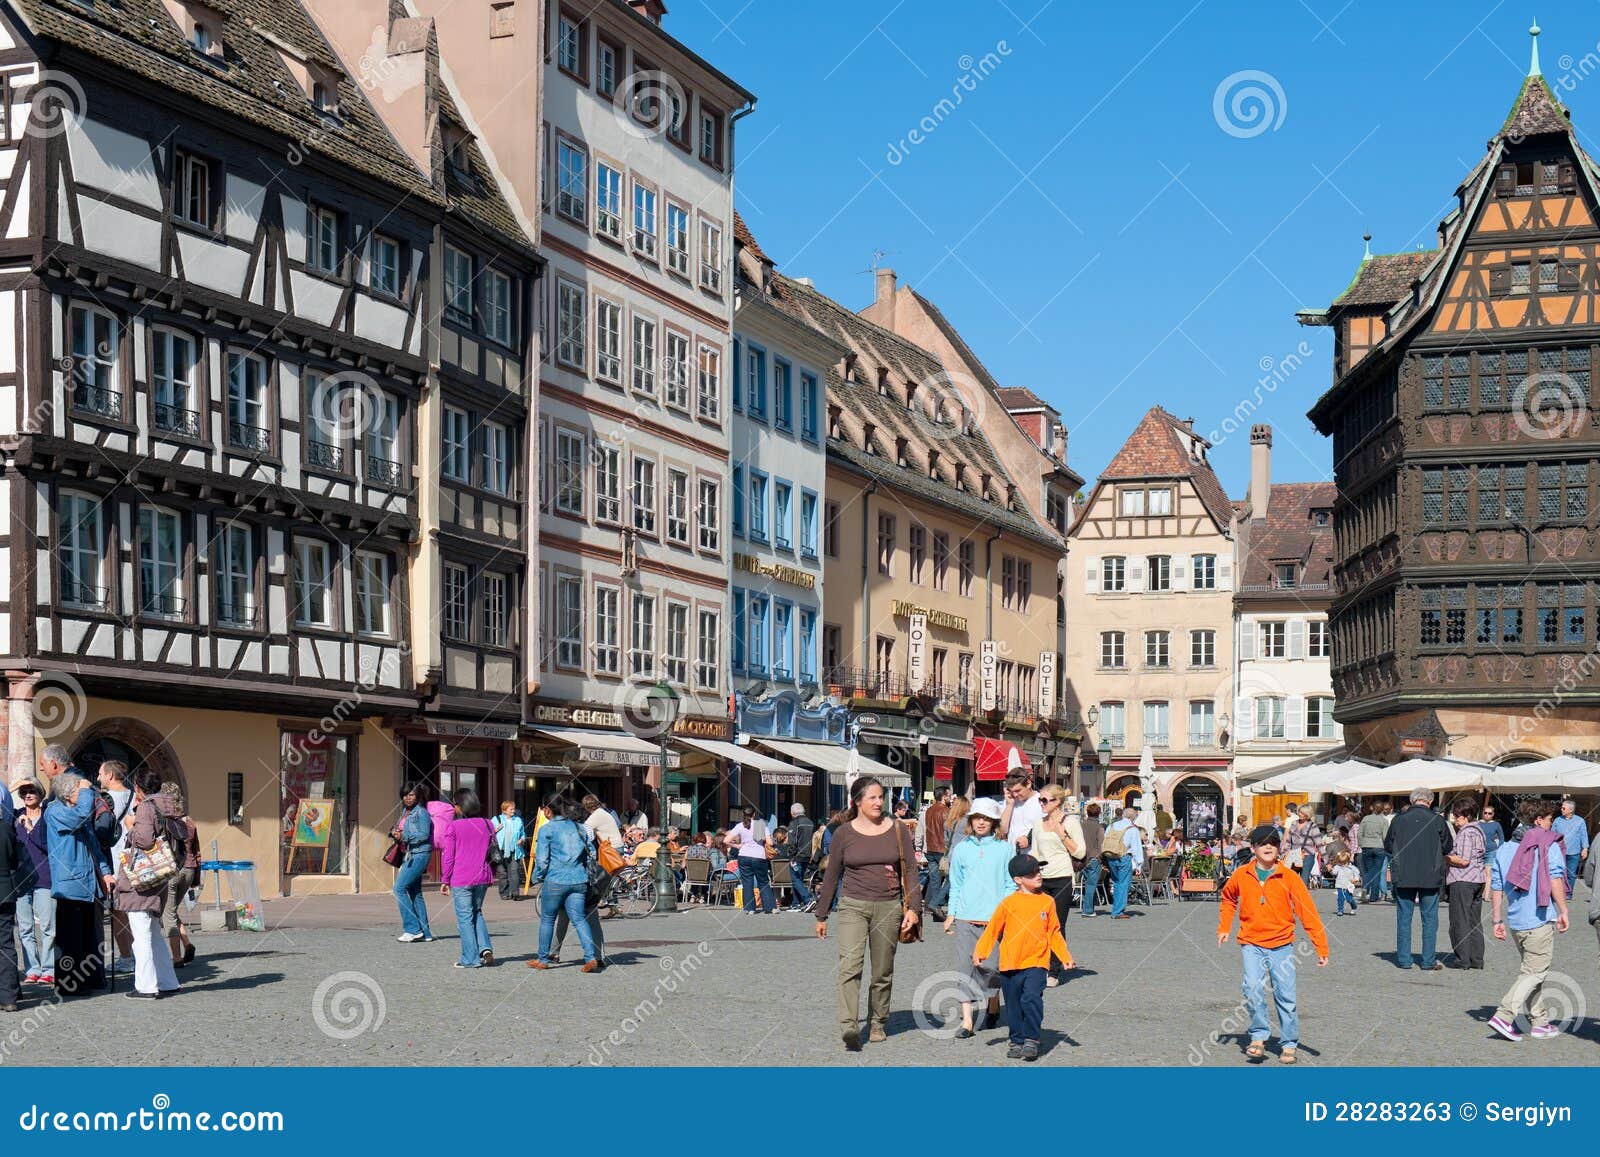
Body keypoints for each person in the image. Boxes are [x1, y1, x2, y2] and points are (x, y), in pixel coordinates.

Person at [814, 776, 922, 1051]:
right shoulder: (843, 833)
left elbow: (910, 869)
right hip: (852, 906)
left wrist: (914, 909)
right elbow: (832, 874)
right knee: (850, 966)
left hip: (889, 906)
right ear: (858, 801)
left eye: (880, 796)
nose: (878, 802)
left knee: (882, 970)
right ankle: (849, 1025)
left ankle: (877, 1022)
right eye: (872, 797)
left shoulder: (897, 829)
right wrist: (821, 914)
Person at [1217, 825, 1329, 1064]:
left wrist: (1321, 947)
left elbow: (1308, 913)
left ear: (1279, 848)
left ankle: (1289, 1043)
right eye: (1262, 843)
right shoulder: (1241, 875)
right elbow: (1228, 899)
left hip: (1282, 945)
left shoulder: (1289, 878)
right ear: (1253, 848)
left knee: (1285, 995)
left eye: (1273, 843)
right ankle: (1258, 1036)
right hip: (1251, 943)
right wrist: (1224, 927)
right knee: (1253, 988)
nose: (1268, 847)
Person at [972, 854, 1074, 1061]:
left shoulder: (1047, 901)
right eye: (1032, 873)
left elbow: (1054, 931)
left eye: (1039, 870)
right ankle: (1016, 1040)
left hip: (1037, 961)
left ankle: (1031, 1039)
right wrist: (980, 952)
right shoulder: (1008, 903)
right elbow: (992, 930)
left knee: (1031, 998)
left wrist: (1064, 956)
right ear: (1018, 879)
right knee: (1013, 1004)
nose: (1038, 875)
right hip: (1010, 963)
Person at [1488, 800, 1569, 1041]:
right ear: (1538, 821)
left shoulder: (1503, 849)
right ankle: (1504, 1015)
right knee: (1534, 973)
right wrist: (1564, 910)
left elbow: (1496, 887)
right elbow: (1555, 879)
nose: (1551, 825)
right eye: (1549, 821)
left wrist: (1496, 921)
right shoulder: (1546, 845)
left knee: (1532, 971)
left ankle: (1540, 1021)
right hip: (1539, 918)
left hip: (1516, 921)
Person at [113, 768, 183, 1001]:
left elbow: (144, 839)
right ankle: (168, 981)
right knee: (152, 933)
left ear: (138, 788)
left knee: (141, 935)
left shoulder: (145, 807)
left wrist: (131, 826)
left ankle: (146, 986)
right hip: (161, 874)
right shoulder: (168, 804)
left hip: (143, 878)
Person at [944, 797, 1011, 1038]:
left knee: (991, 968)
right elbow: (956, 884)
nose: (981, 822)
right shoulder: (962, 848)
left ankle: (993, 1001)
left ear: (994, 822)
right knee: (965, 968)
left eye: (986, 818)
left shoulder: (1005, 848)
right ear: (971, 820)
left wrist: (1006, 911)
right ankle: (967, 1022)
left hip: (994, 919)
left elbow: (1009, 883)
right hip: (965, 917)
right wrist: (952, 913)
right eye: (977, 818)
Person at [45, 770, 110, 996]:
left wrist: (105, 872)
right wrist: (84, 790)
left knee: (88, 936)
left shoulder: (78, 811)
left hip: (88, 883)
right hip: (70, 884)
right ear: (67, 793)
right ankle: (69, 984)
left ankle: (90, 979)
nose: (86, 795)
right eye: (79, 791)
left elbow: (94, 846)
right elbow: (82, 815)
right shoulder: (55, 810)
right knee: (70, 938)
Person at [528, 796, 601, 972]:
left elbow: (542, 859)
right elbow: (591, 852)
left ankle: (543, 959)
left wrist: (537, 876)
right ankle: (591, 957)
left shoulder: (547, 829)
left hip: (555, 879)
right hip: (579, 880)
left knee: (547, 920)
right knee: (579, 919)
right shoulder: (579, 828)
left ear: (547, 810)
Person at [1386, 787, 1453, 971]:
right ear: (1429, 801)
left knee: (1404, 918)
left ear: (1412, 800)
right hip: (1430, 876)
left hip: (1404, 875)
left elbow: (1388, 845)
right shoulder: (1438, 820)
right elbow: (1448, 847)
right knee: (1430, 919)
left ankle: (1404, 960)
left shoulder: (1398, 820)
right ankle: (1428, 960)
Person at [1027, 785, 1083, 987]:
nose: (1041, 803)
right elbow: (1035, 852)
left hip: (1062, 877)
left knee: (1056, 924)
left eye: (1045, 800)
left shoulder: (1071, 822)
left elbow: (1080, 853)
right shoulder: (1037, 823)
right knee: (1039, 925)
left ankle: (1054, 970)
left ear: (1057, 802)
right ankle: (1040, 965)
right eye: (1039, 800)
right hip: (1041, 878)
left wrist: (1062, 834)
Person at [438, 789, 495, 969]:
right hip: (482, 876)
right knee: (477, 912)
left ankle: (470, 959)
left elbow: (448, 857)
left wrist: (445, 880)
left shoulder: (453, 827)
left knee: (465, 918)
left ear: (460, 806)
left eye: (455, 804)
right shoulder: (487, 824)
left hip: (461, 877)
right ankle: (485, 948)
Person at [96, 759, 136, 975]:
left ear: (110, 775)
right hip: (132, 858)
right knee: (135, 910)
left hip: (113, 859)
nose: (98, 778)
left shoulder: (106, 799)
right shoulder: (134, 796)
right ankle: (138, 953)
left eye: (101, 773)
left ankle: (127, 957)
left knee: (117, 911)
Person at [13, 776, 54, 988]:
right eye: (24, 792)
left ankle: (48, 969)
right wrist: (14, 785)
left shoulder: (48, 818)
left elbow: (51, 849)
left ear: (40, 793)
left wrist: (30, 829)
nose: (28, 794)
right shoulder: (15, 816)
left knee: (48, 927)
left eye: (32, 790)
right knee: (25, 928)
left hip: (45, 878)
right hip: (21, 880)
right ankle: (32, 969)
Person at [1445, 797, 1488, 970]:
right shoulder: (1480, 830)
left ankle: (1462, 958)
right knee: (1474, 921)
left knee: (1459, 920)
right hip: (1478, 879)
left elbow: (1463, 860)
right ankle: (1476, 959)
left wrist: (1445, 858)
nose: (1455, 820)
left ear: (1466, 815)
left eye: (1457, 816)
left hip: (1463, 879)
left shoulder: (1466, 832)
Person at [162, 785, 201, 968]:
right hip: (189, 868)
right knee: (172, 910)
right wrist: (196, 878)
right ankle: (187, 943)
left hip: (173, 870)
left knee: (167, 915)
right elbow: (196, 850)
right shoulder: (189, 821)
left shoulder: (165, 821)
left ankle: (176, 958)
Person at [392, 782, 434, 943]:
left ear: (418, 796)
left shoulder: (421, 813)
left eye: (411, 795)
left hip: (420, 854)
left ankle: (412, 929)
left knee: (399, 888)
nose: (407, 798)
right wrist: (395, 832)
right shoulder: (405, 812)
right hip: (410, 854)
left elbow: (424, 834)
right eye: (405, 795)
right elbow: (402, 830)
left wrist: (404, 837)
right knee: (415, 893)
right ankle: (425, 933)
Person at [726, 805, 775, 915]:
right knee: (763, 881)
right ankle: (769, 907)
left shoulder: (740, 825)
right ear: (754, 814)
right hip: (759, 856)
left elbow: (726, 840)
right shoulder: (759, 825)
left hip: (744, 856)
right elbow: (770, 843)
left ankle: (749, 908)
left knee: (747, 882)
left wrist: (738, 846)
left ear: (744, 814)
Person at [0, 778, 18, 1011]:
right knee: (6, 944)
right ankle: (9, 996)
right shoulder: (7, 829)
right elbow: (15, 858)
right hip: (6, 890)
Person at [1106, 806, 1142, 919]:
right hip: (1124, 857)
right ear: (1133, 818)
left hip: (1111, 856)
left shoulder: (1111, 826)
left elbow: (1105, 839)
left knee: (1117, 882)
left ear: (1123, 815)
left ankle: (1116, 907)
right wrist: (1139, 864)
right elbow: (1136, 848)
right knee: (1123, 884)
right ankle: (1117, 911)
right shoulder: (1132, 829)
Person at [920, 788, 950, 918]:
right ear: (944, 796)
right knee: (951, 879)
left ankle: (935, 909)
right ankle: (935, 904)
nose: (950, 797)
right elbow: (949, 831)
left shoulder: (928, 811)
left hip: (930, 849)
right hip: (942, 850)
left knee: (935, 881)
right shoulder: (946, 811)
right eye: (948, 795)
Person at [492, 801, 526, 901]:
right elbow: (489, 833)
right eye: (511, 809)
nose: (513, 811)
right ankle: (504, 893)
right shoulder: (496, 819)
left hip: (514, 850)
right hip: (500, 851)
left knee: (514, 872)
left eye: (513, 808)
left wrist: (522, 839)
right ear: (504, 810)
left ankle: (515, 894)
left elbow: (523, 834)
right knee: (503, 873)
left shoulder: (518, 820)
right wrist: (496, 830)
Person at [1552, 799, 1588, 891]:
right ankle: (1559, 892)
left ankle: (1568, 893)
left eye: (1564, 808)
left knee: (1571, 874)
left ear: (1570, 810)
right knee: (1558, 873)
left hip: (1574, 852)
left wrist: (1585, 849)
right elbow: (1552, 835)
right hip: (1559, 852)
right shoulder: (1557, 820)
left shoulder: (1580, 821)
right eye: (1562, 808)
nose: (1561, 809)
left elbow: (1584, 835)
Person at [999, 772, 1043, 850]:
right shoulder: (1010, 801)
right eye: (1012, 791)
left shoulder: (1041, 801)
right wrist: (1010, 805)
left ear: (1028, 784)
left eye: (1018, 790)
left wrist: (1029, 840)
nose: (1015, 795)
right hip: (1012, 854)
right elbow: (1002, 830)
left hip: (1033, 854)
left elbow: (1047, 826)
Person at [786, 803, 816, 913]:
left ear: (793, 813)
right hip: (807, 855)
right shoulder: (810, 822)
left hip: (797, 856)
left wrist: (791, 855)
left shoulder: (794, 823)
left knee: (795, 879)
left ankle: (808, 899)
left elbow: (792, 841)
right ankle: (796, 903)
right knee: (799, 879)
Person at [1283, 807, 1322, 888]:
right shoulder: (1294, 823)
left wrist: (1327, 861)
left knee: (1303, 881)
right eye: (1299, 812)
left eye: (1303, 813)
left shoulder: (1313, 826)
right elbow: (1288, 841)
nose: (1300, 814)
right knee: (1290, 879)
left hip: (1308, 855)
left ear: (1308, 814)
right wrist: (1283, 854)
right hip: (1294, 854)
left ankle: (1301, 899)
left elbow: (1319, 844)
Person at [1079, 802, 1105, 916]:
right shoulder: (1099, 827)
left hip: (1082, 858)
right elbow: (1102, 845)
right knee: (1091, 885)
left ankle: (1088, 907)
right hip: (1094, 859)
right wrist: (1101, 858)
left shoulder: (1081, 825)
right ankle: (1088, 910)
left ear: (1087, 812)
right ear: (1099, 814)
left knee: (1086, 884)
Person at [1331, 850, 1360, 916]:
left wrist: (1355, 880)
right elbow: (1334, 873)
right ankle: (1340, 910)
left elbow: (1357, 874)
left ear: (1348, 861)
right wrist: (1332, 869)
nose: (1343, 865)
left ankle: (1354, 906)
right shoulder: (1338, 867)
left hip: (1348, 886)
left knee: (1349, 899)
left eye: (1344, 863)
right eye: (1341, 863)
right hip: (1340, 885)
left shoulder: (1352, 868)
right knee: (1340, 898)